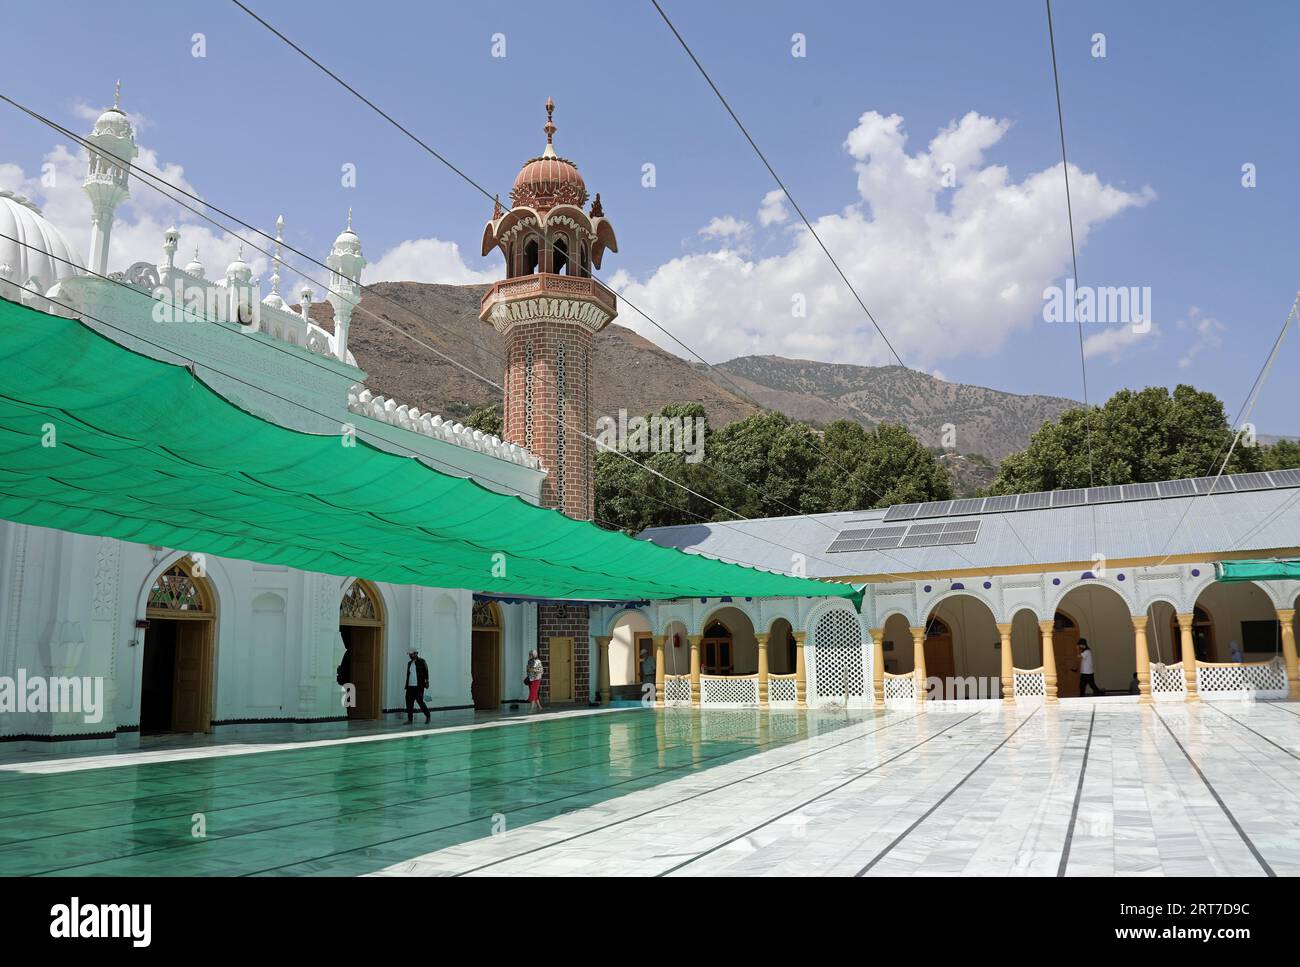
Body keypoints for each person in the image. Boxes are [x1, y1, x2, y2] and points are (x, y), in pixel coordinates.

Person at [405, 648, 430, 724]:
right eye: (409, 654)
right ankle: (410, 719)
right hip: (410, 686)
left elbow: (426, 671)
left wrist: (427, 681)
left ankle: (428, 716)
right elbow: (408, 674)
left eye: (411, 654)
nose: (410, 655)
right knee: (409, 703)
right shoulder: (409, 663)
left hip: (418, 686)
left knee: (420, 702)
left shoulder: (422, 661)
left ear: (416, 653)